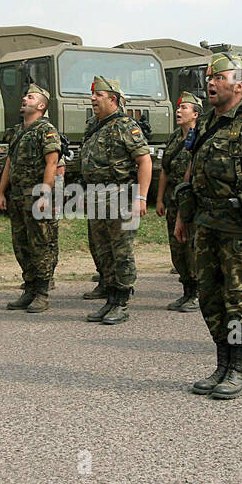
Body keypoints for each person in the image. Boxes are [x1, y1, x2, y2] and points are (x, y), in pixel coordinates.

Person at [173, 52, 242, 399]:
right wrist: (182, 217)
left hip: (237, 227)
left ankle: (237, 367)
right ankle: (221, 362)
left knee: (235, 298)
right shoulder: (204, 123)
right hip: (205, 222)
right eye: (209, 78)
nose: (211, 83)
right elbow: (191, 172)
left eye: (219, 78)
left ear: (240, 85)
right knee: (210, 296)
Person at [80, 76, 152, 324]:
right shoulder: (93, 125)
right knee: (103, 251)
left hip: (121, 196)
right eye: (92, 95)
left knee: (121, 251)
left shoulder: (125, 126)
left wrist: (141, 197)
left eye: (98, 95)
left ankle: (121, 302)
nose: (92, 99)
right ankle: (110, 298)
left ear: (113, 99)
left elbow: (144, 161)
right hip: (97, 197)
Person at [0, 84, 61, 313]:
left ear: (41, 105)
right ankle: (29, 289)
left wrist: (45, 193)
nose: (24, 98)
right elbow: (10, 163)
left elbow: (52, 162)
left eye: (30, 97)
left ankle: (42, 293)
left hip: (37, 198)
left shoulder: (46, 130)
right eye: (25, 95)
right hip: (17, 198)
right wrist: (1, 192)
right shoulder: (16, 131)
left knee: (41, 244)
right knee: (21, 245)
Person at [157, 94, 202, 311]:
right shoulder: (174, 138)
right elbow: (165, 169)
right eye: (178, 107)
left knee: (192, 246)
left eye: (184, 107)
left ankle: (197, 292)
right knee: (176, 247)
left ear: (195, 114)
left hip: (192, 202)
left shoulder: (201, 136)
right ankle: (186, 290)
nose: (179, 111)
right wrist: (159, 199)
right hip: (173, 201)